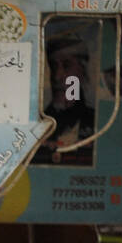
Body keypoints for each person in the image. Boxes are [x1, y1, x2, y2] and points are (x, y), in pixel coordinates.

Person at [33, 34, 96, 167]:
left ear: (82, 71)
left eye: (67, 66)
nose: (57, 76)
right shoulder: (36, 123)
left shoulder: (97, 121)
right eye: (53, 67)